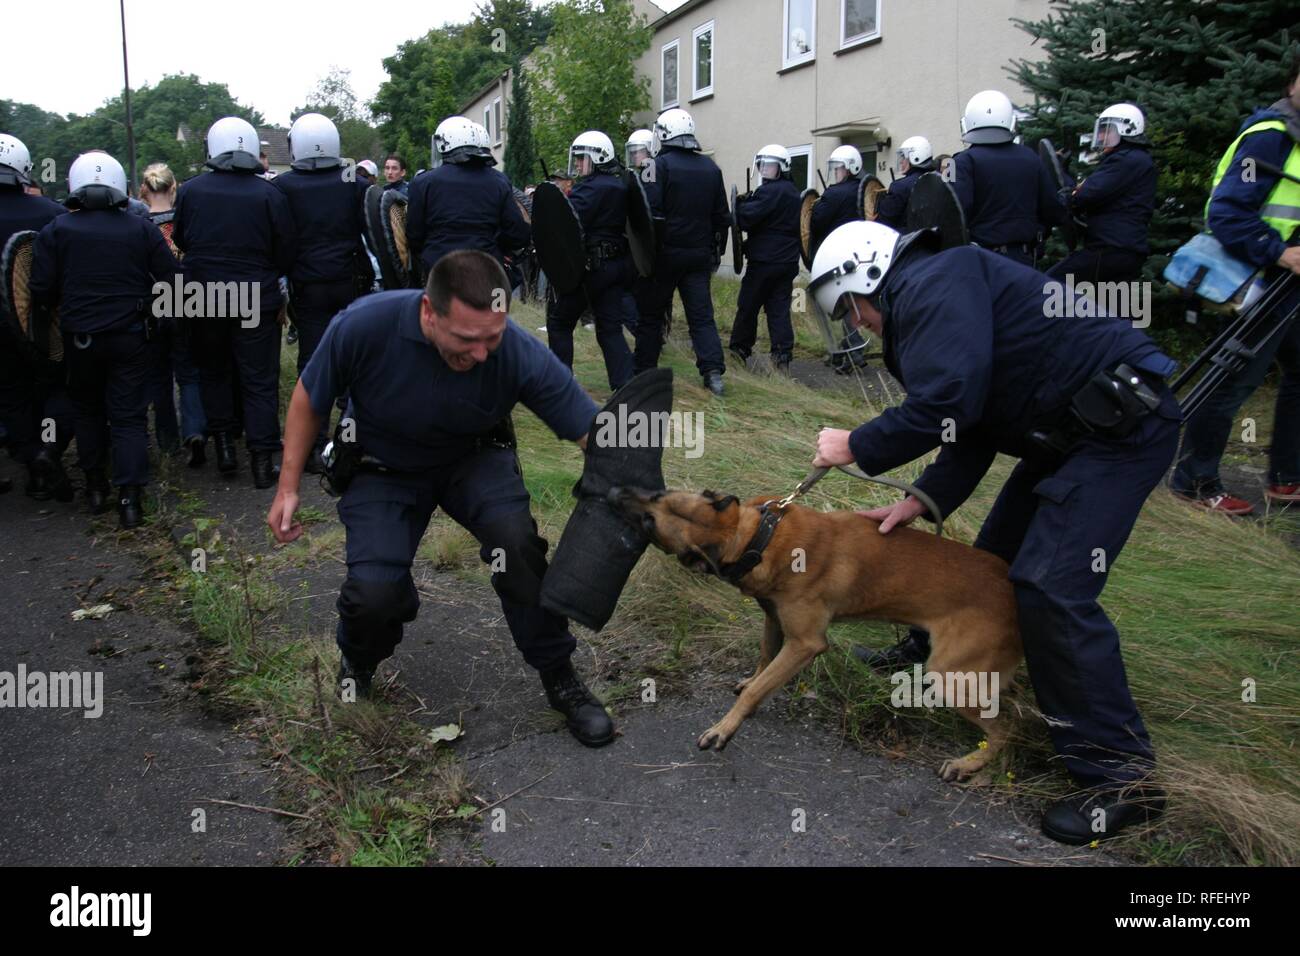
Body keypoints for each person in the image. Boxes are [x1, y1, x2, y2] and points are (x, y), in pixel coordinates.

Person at [809, 219, 1179, 845]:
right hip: (1068, 436)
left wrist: (858, 443)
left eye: (851, 308)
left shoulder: (933, 284)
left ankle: (1121, 781)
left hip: (1119, 432)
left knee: (1050, 589)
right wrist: (923, 501)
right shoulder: (934, 288)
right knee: (984, 568)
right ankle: (935, 651)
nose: (857, 325)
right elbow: (970, 424)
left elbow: (950, 399)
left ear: (870, 274)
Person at [266, 249, 614, 747]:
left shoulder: (512, 348)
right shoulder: (364, 326)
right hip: (383, 467)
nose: (481, 355)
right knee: (375, 593)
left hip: (471, 461)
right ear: (430, 313)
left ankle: (559, 674)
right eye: (467, 340)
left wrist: (634, 487)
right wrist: (287, 487)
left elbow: (589, 429)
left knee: (515, 546)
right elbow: (309, 398)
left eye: (491, 339)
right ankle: (359, 660)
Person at [1170, 61, 1300, 513]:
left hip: (1291, 291)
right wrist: (1279, 252)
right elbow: (1225, 213)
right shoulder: (1270, 136)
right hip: (1262, 286)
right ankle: (1193, 482)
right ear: (1291, 83)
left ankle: (1285, 480)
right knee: (1229, 384)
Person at [30, 151, 181, 528]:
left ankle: (96, 487)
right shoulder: (139, 228)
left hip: (79, 339)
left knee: (88, 412)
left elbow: (40, 289)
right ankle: (130, 500)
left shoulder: (57, 229)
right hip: (130, 336)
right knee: (129, 418)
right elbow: (171, 276)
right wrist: (151, 309)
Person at [173, 116, 297, 488]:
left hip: (204, 295)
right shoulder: (269, 194)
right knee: (259, 381)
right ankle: (261, 461)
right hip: (256, 297)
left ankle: (226, 447)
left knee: (213, 372)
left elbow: (181, 239)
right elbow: (285, 250)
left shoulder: (191, 191)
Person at [273, 113, 370, 472]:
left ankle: (313, 447)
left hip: (309, 285)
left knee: (314, 365)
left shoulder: (284, 186)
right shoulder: (351, 181)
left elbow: (280, 238)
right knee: (353, 360)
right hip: (349, 281)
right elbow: (371, 226)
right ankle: (349, 437)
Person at [632, 108, 731, 395]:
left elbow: (648, 212)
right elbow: (722, 217)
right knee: (702, 318)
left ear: (663, 134)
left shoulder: (654, 165)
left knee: (650, 317)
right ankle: (713, 374)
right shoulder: (712, 168)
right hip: (698, 256)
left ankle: (643, 373)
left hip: (665, 256)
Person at [0, 132, 74, 502]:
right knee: (55, 389)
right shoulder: (53, 214)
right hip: (43, 323)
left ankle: (33, 465)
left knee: (12, 393)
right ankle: (50, 449)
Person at [544, 131, 637, 390]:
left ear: (598, 158)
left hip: (591, 269)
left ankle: (561, 384)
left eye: (582, 158)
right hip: (616, 267)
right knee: (610, 329)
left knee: (559, 322)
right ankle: (626, 385)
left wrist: (551, 206)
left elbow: (567, 223)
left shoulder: (591, 188)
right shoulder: (619, 185)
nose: (577, 164)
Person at [140, 161, 207, 467]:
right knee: (189, 372)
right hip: (186, 302)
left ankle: (167, 442)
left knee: (158, 377)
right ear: (173, 187)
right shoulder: (187, 221)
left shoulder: (136, 225)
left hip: (152, 307)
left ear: (143, 189)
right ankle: (195, 430)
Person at [406, 117, 529, 283]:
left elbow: (414, 237)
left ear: (444, 143)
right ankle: (497, 308)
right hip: (487, 271)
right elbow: (517, 234)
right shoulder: (499, 181)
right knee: (497, 306)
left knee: (439, 308)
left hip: (439, 273)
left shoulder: (422, 183)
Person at [1046, 104, 1157, 285]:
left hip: (1110, 250)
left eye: (1107, 131)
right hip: (1125, 251)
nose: (1101, 136)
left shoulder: (1126, 160)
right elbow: (1091, 193)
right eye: (1101, 131)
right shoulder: (1135, 159)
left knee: (1049, 287)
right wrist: (1063, 174)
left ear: (1126, 130)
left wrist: (1065, 196)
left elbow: (1085, 196)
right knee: (1116, 311)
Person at [952, 90, 1064, 267]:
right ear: (1011, 121)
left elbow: (949, 211)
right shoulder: (1032, 158)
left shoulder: (957, 162)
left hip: (980, 261)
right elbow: (1052, 208)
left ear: (967, 123)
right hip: (1025, 260)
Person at [728, 144, 799, 372]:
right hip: (787, 262)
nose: (764, 169)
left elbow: (747, 219)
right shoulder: (793, 191)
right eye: (762, 165)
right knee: (779, 309)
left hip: (764, 262)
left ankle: (739, 350)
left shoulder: (770, 191)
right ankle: (782, 356)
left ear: (782, 167)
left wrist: (740, 204)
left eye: (770, 165)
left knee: (748, 306)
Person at [809, 145, 863, 257]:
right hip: (862, 248)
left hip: (836, 251)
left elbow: (816, 223)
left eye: (838, 168)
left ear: (850, 168)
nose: (835, 172)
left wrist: (816, 206)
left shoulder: (834, 192)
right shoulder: (865, 188)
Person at [874, 136, 936, 230]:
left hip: (908, 241)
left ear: (915, 157)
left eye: (904, 157)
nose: (901, 162)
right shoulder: (939, 179)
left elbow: (883, 225)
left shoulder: (900, 187)